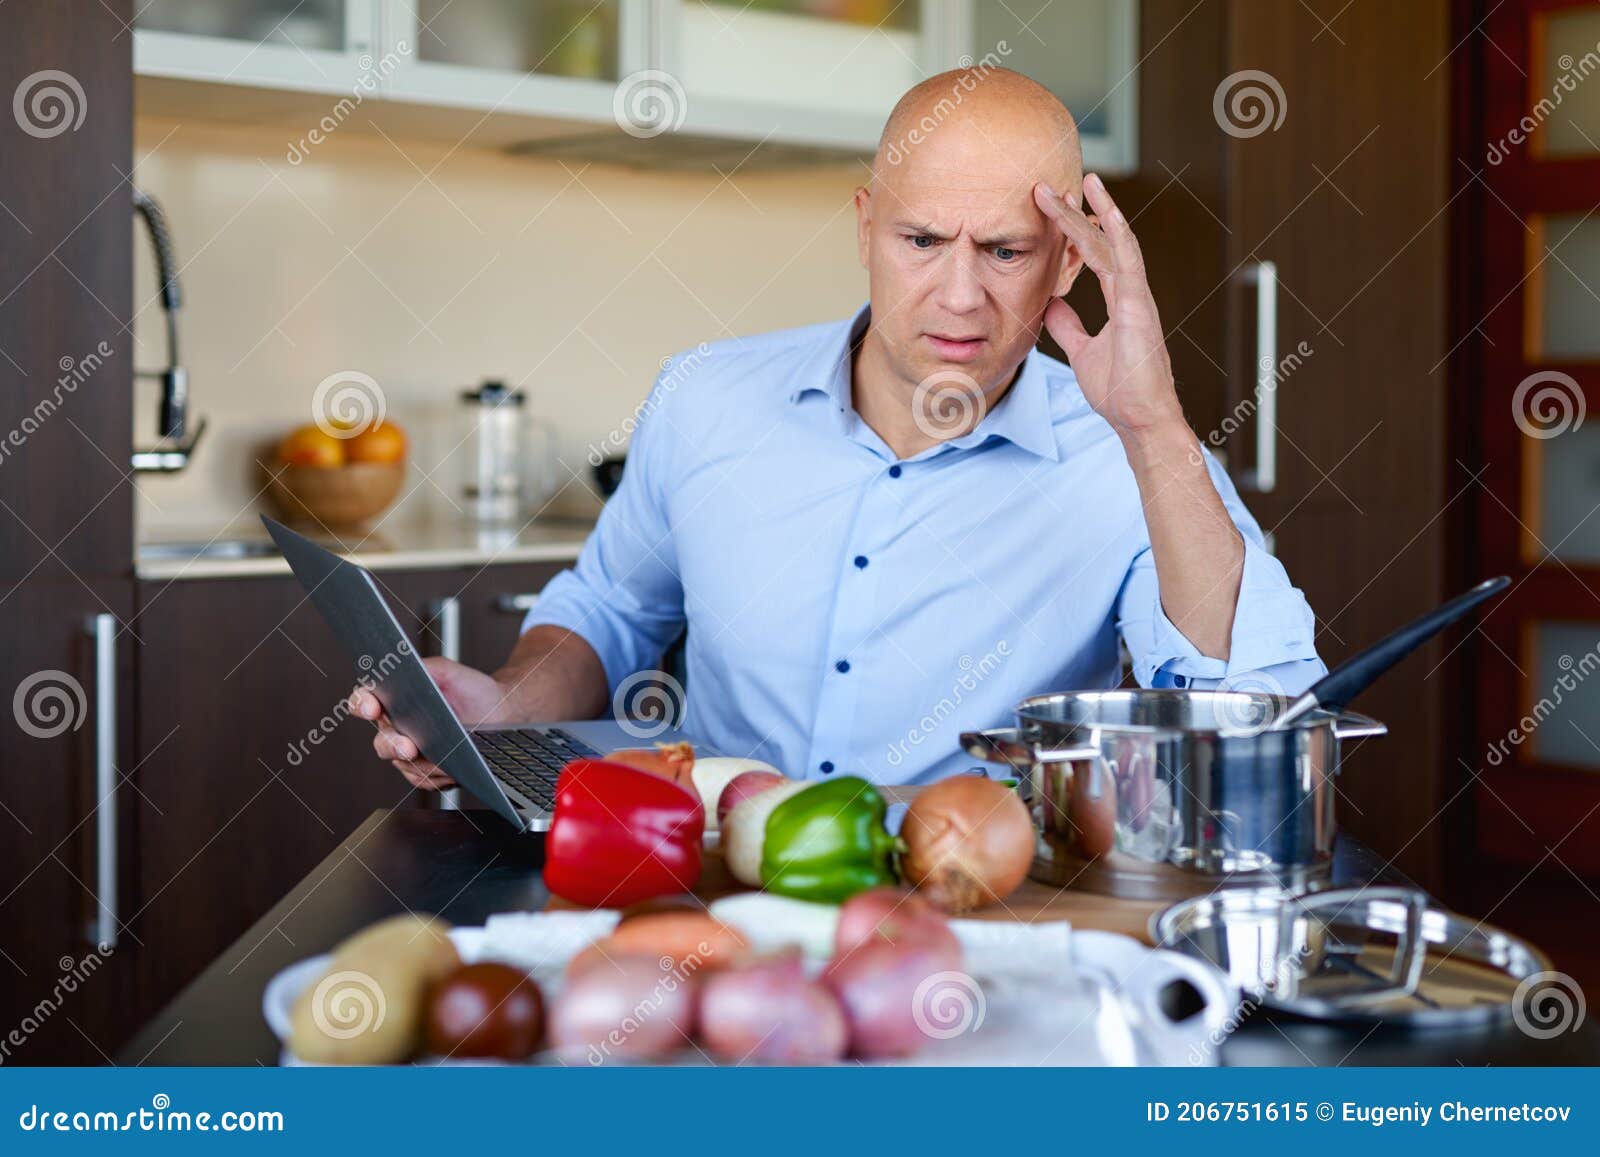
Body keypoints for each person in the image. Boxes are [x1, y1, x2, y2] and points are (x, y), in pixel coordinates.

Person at [351, 67, 1325, 788]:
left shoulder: (1127, 458)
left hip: (977, 930)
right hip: (711, 901)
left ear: (1065, 263)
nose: (958, 293)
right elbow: (610, 609)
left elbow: (1256, 712)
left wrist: (1154, 428)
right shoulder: (704, 396)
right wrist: (508, 708)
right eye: (920, 240)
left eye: (1004, 249)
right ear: (865, 227)